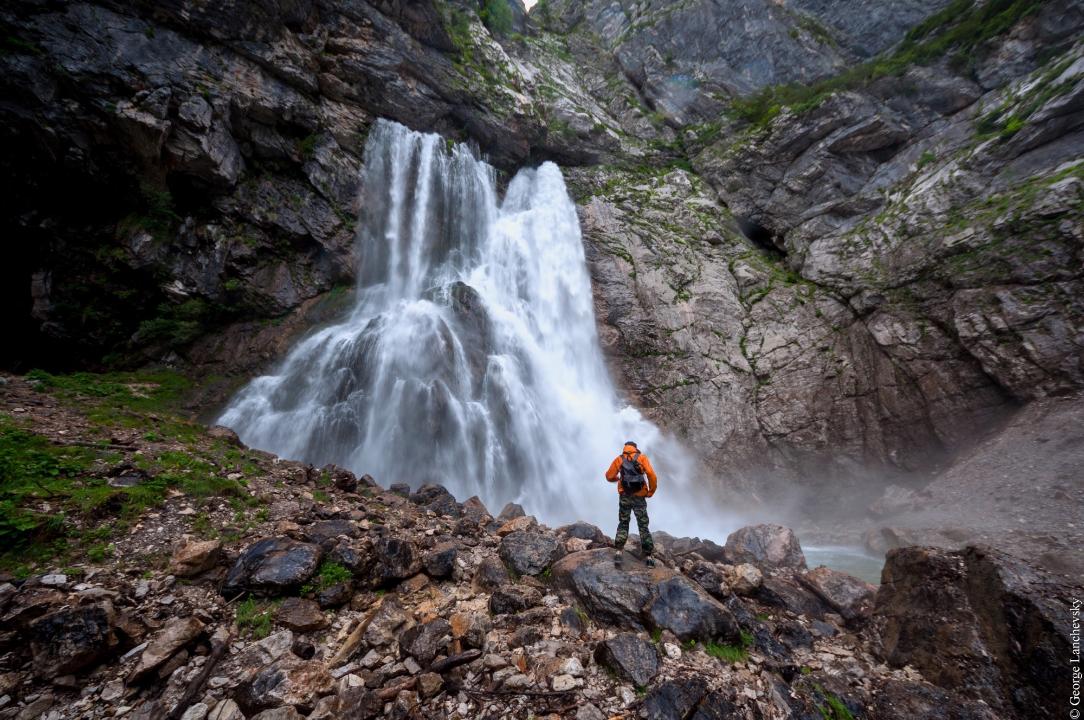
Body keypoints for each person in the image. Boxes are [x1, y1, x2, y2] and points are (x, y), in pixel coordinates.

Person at [604, 441, 658, 567]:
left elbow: (609, 475)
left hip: (625, 496)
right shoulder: (642, 458)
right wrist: (651, 491)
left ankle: (618, 552)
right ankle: (649, 557)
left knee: (623, 522)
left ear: (625, 448)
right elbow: (651, 475)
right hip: (639, 496)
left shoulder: (619, 459)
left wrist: (616, 479)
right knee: (643, 525)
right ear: (635, 448)